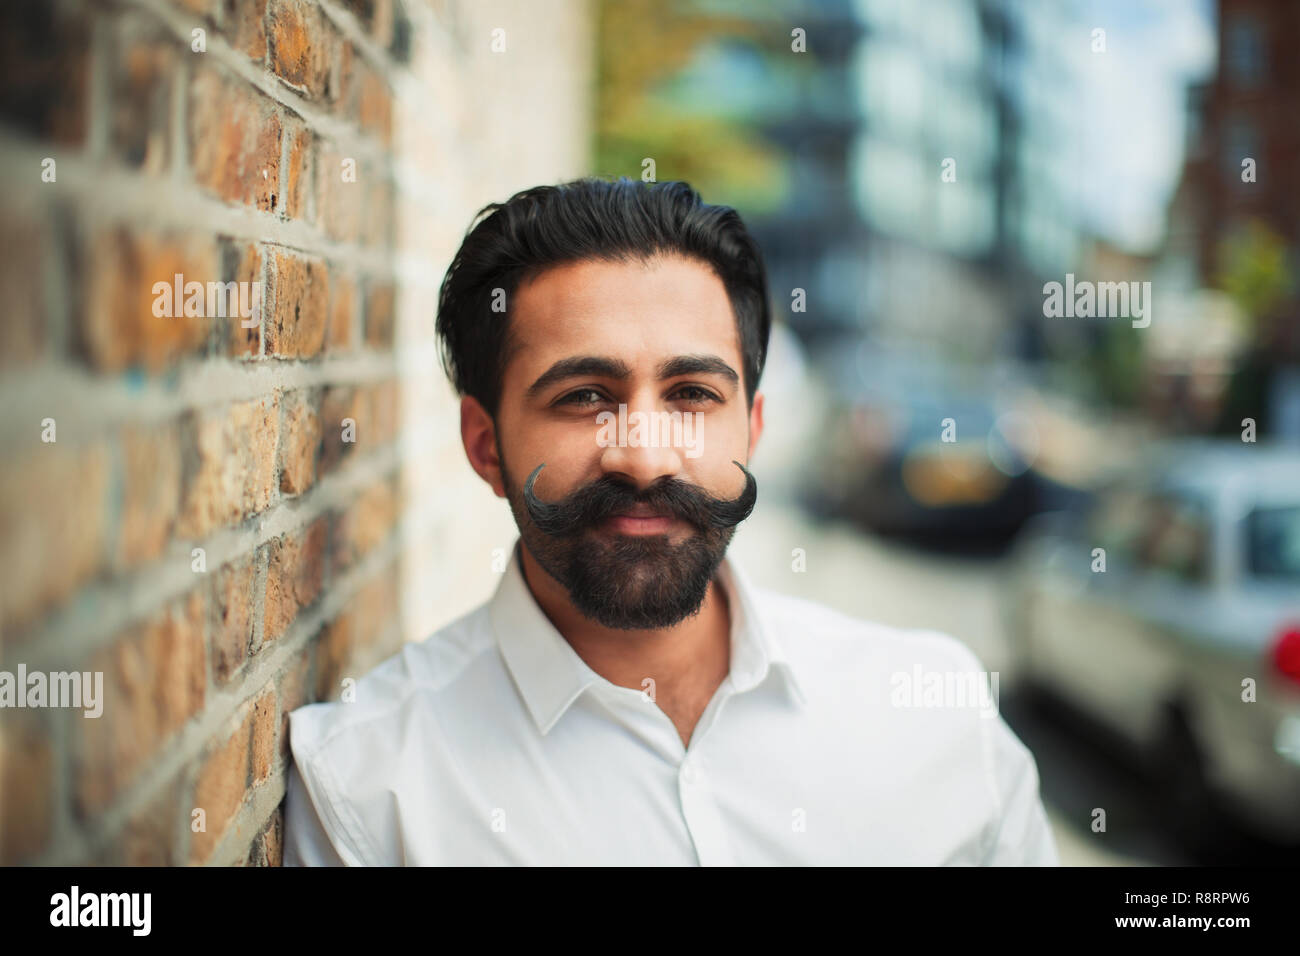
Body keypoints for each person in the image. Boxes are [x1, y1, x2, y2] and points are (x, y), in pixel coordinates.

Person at [284, 177, 1058, 865]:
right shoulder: (366, 789)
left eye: (692, 394)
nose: (645, 460)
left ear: (751, 429)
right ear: (486, 446)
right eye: (584, 396)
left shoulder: (936, 715)